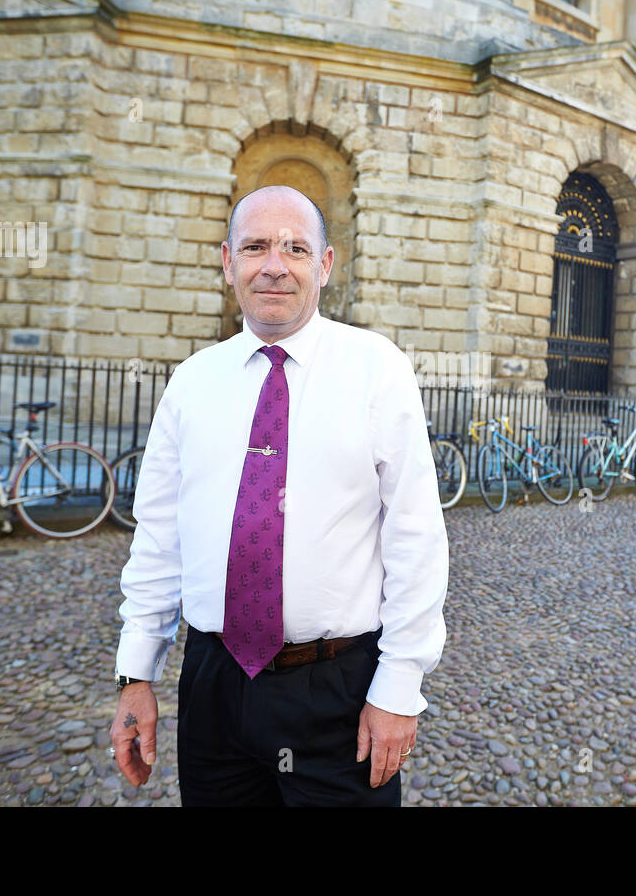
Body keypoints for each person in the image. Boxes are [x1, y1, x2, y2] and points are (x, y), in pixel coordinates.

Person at [109, 184, 449, 806]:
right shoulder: (192, 383)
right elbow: (158, 537)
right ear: (227, 260)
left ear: (323, 265)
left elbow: (415, 534)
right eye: (256, 246)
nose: (274, 264)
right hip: (214, 684)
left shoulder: (378, 370)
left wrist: (399, 685)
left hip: (337, 691)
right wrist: (136, 675)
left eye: (295, 247)